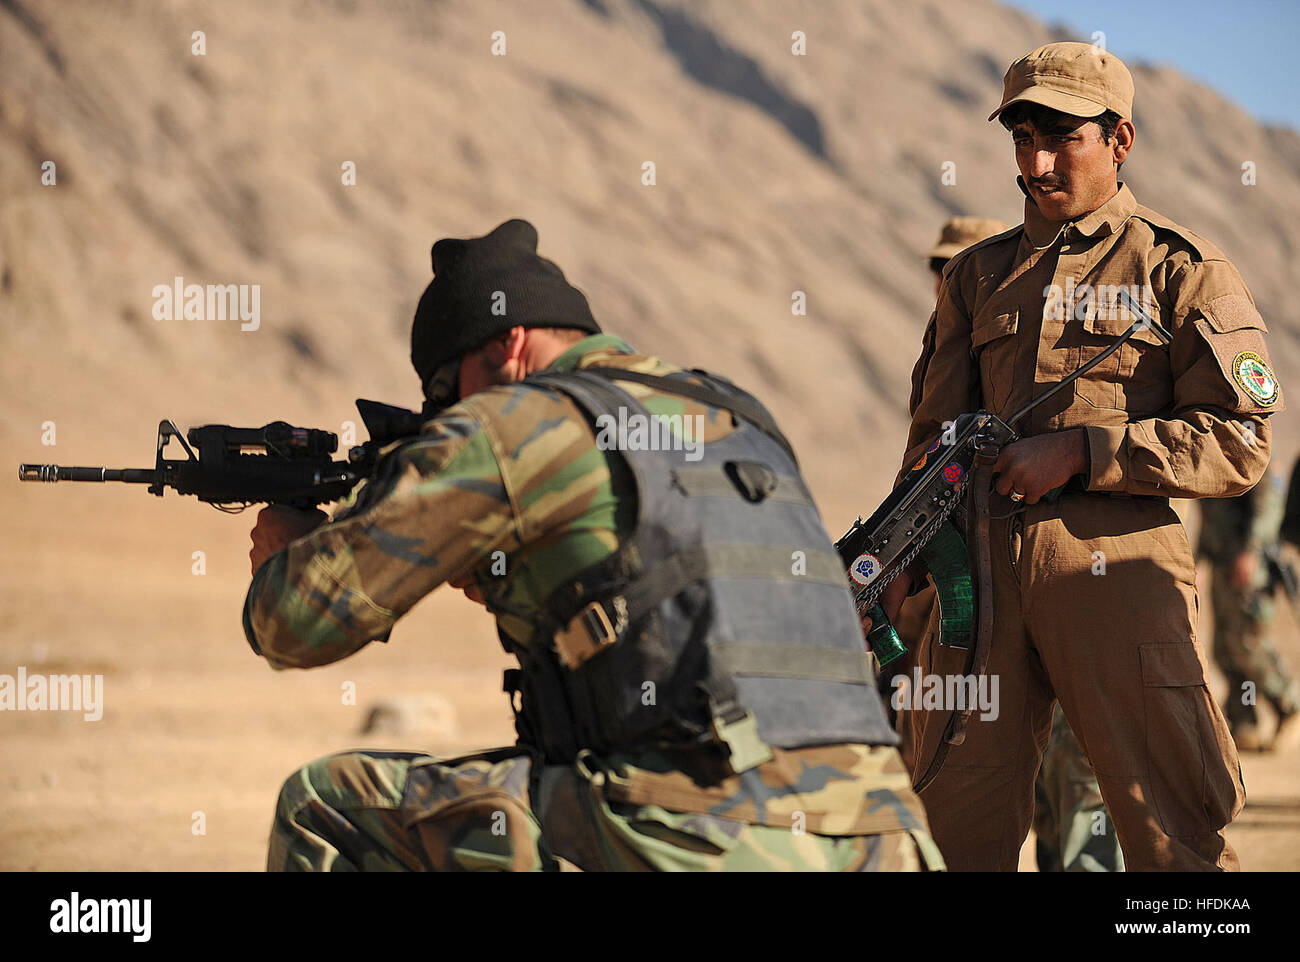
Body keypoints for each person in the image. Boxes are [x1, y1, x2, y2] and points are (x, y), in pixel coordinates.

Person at [244, 218, 944, 872]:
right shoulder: (731, 410)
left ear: (507, 347)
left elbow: (297, 625)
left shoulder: (512, 422)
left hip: (711, 833)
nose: (443, 415)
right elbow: (682, 588)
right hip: (884, 835)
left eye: (441, 391)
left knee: (324, 807)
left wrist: (289, 549)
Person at [883, 42, 1281, 871]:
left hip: (1120, 587)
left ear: (1119, 140)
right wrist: (894, 563)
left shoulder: (1181, 270)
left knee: (1170, 839)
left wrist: (1086, 452)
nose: (1035, 160)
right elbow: (930, 443)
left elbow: (1240, 441)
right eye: (1022, 136)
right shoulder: (974, 278)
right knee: (952, 832)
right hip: (976, 597)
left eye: (1063, 136)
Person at [1198, 463, 1300, 751]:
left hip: (1248, 569)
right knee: (1225, 648)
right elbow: (1210, 515)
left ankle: (1288, 704)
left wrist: (1250, 551)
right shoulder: (1211, 450)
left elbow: (1267, 502)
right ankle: (1244, 722)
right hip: (1221, 563)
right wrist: (1198, 557)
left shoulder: (1250, 442)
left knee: (1248, 643)